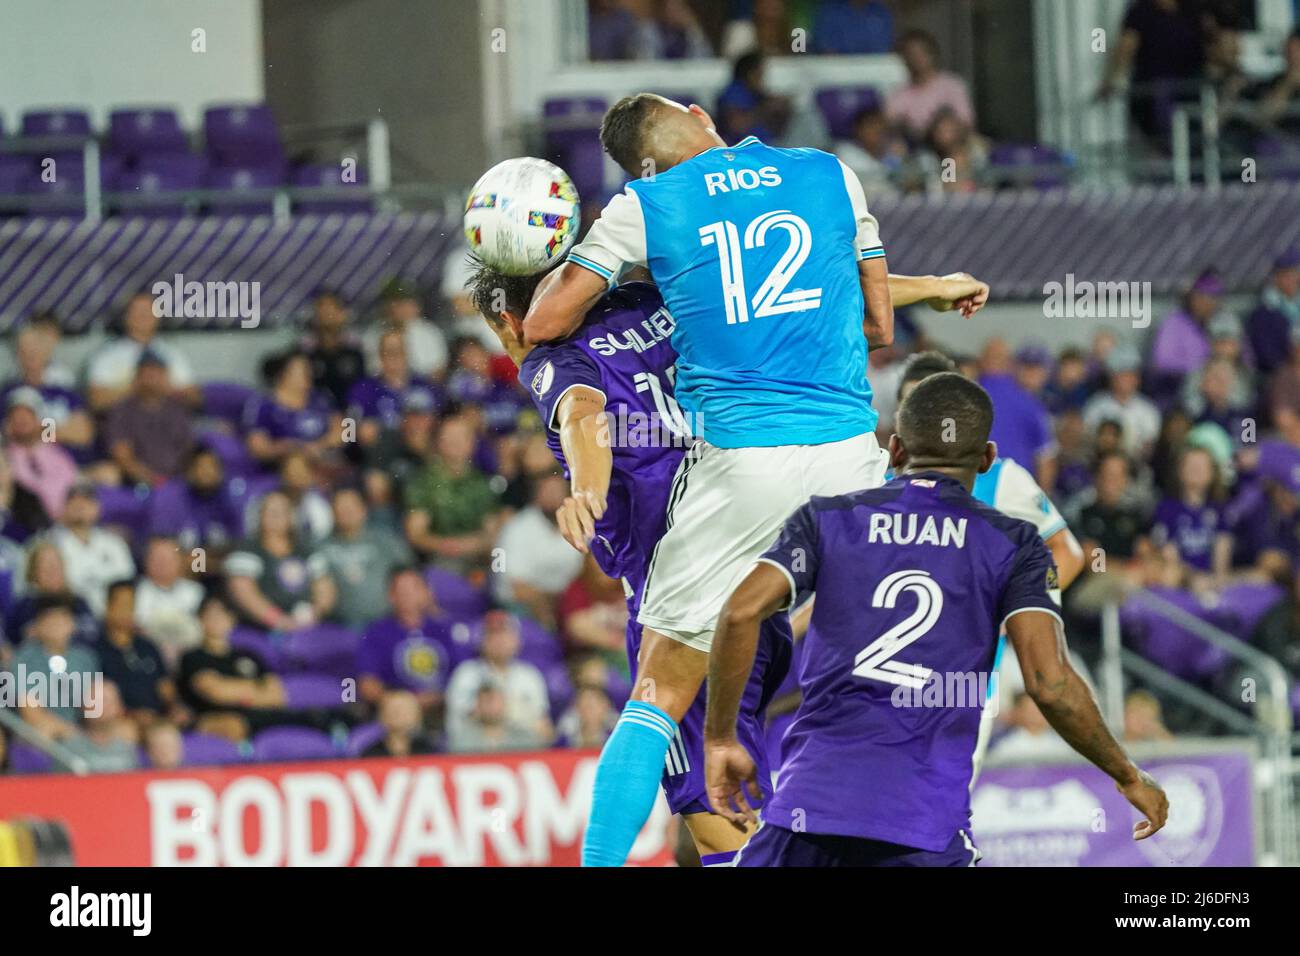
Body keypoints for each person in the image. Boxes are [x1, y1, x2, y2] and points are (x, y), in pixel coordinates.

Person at [518, 96, 990, 865]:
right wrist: (932, 283)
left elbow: (543, 323)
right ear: (701, 115)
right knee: (880, 676)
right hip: (850, 459)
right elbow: (873, 324)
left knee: (655, 698)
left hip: (742, 472)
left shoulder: (650, 205)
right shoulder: (828, 172)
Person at [704, 373, 1168, 866]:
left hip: (808, 807)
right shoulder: (1012, 543)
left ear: (896, 449)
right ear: (987, 458)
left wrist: (720, 736)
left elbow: (740, 612)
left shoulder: (826, 517)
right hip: (921, 821)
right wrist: (1126, 774)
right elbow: (1049, 683)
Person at [178, 592, 290, 741]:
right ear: (200, 619)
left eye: (222, 614)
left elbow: (277, 696)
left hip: (259, 715)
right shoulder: (193, 656)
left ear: (232, 619)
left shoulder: (249, 655)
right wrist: (256, 688)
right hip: (217, 717)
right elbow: (216, 692)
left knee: (307, 718)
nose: (216, 620)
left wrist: (235, 690)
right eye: (210, 615)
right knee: (233, 725)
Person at [224, 491, 336, 631]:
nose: (276, 516)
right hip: (259, 630)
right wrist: (277, 620)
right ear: (259, 516)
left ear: (291, 517)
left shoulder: (307, 550)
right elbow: (243, 592)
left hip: (306, 625)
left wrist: (316, 611)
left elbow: (324, 586)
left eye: (282, 511)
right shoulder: (246, 550)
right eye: (271, 511)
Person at [445, 611, 552, 746]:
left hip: (519, 745)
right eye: (492, 635)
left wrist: (500, 710)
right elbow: (469, 717)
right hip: (473, 747)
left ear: (517, 640)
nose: (499, 641)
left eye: (504, 635)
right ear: (482, 641)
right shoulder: (466, 673)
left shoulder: (530, 675)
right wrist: (517, 711)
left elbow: (541, 724)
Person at [86, 291, 200, 412]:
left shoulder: (172, 354)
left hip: (167, 422)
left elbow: (194, 398)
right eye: (137, 311)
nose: (143, 316)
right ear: (126, 317)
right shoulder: (106, 356)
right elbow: (96, 401)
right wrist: (138, 387)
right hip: (124, 423)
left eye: (148, 311)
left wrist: (161, 387)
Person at [318, 486, 413, 629]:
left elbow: (410, 577)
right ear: (333, 513)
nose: (347, 512)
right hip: (339, 626)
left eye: (351, 507)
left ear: (363, 509)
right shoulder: (321, 547)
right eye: (341, 508)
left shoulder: (386, 541)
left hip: (387, 621)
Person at [102, 351, 194, 486]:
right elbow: (122, 457)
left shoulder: (177, 409)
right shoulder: (122, 410)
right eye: (147, 374)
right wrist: (155, 481)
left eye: (156, 373)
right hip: (138, 485)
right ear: (137, 377)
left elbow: (189, 451)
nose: (152, 380)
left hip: (178, 482)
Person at [48, 482, 137, 617]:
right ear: (64, 508)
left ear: (97, 508)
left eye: (87, 501)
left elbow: (126, 583)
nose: (81, 506)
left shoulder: (114, 544)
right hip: (71, 616)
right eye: (74, 501)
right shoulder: (50, 544)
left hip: (113, 617)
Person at [884, 30, 976, 145]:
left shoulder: (952, 85)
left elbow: (966, 123)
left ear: (932, 54)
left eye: (921, 52)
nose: (916, 58)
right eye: (911, 54)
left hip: (952, 148)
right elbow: (889, 124)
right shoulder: (899, 93)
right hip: (915, 149)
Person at [3, 387, 78, 520]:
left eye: (28, 414)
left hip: (63, 519)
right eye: (16, 415)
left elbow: (71, 483)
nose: (21, 420)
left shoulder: (55, 452)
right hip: (24, 519)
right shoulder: (4, 455)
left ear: (39, 420)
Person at [299, 290, 366, 410]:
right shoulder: (304, 352)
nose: (326, 314)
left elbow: (362, 390)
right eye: (321, 308)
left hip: (349, 417)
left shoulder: (355, 351)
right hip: (312, 416)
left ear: (342, 314)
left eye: (331, 308)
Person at [715, 52, 791, 144]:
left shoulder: (753, 92)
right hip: (739, 150)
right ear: (750, 73)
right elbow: (737, 125)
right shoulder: (735, 92)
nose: (762, 78)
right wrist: (766, 109)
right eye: (759, 73)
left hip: (761, 147)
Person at [362, 690, 438, 758]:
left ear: (416, 716)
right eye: (392, 709)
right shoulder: (371, 754)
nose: (397, 714)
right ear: (381, 715)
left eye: (404, 710)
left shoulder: (429, 751)